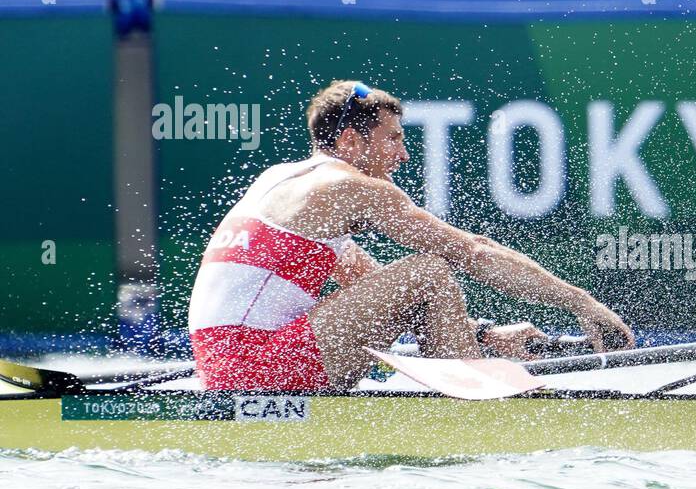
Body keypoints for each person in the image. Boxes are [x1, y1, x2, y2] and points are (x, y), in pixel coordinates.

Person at [188, 80, 633, 391]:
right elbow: (475, 252)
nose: (403, 154)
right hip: (257, 368)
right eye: (393, 139)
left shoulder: (285, 181)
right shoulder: (348, 187)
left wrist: (482, 332)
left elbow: (374, 291)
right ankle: (471, 410)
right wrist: (583, 303)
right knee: (430, 271)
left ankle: (467, 370)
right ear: (348, 141)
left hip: (227, 366)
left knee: (417, 282)